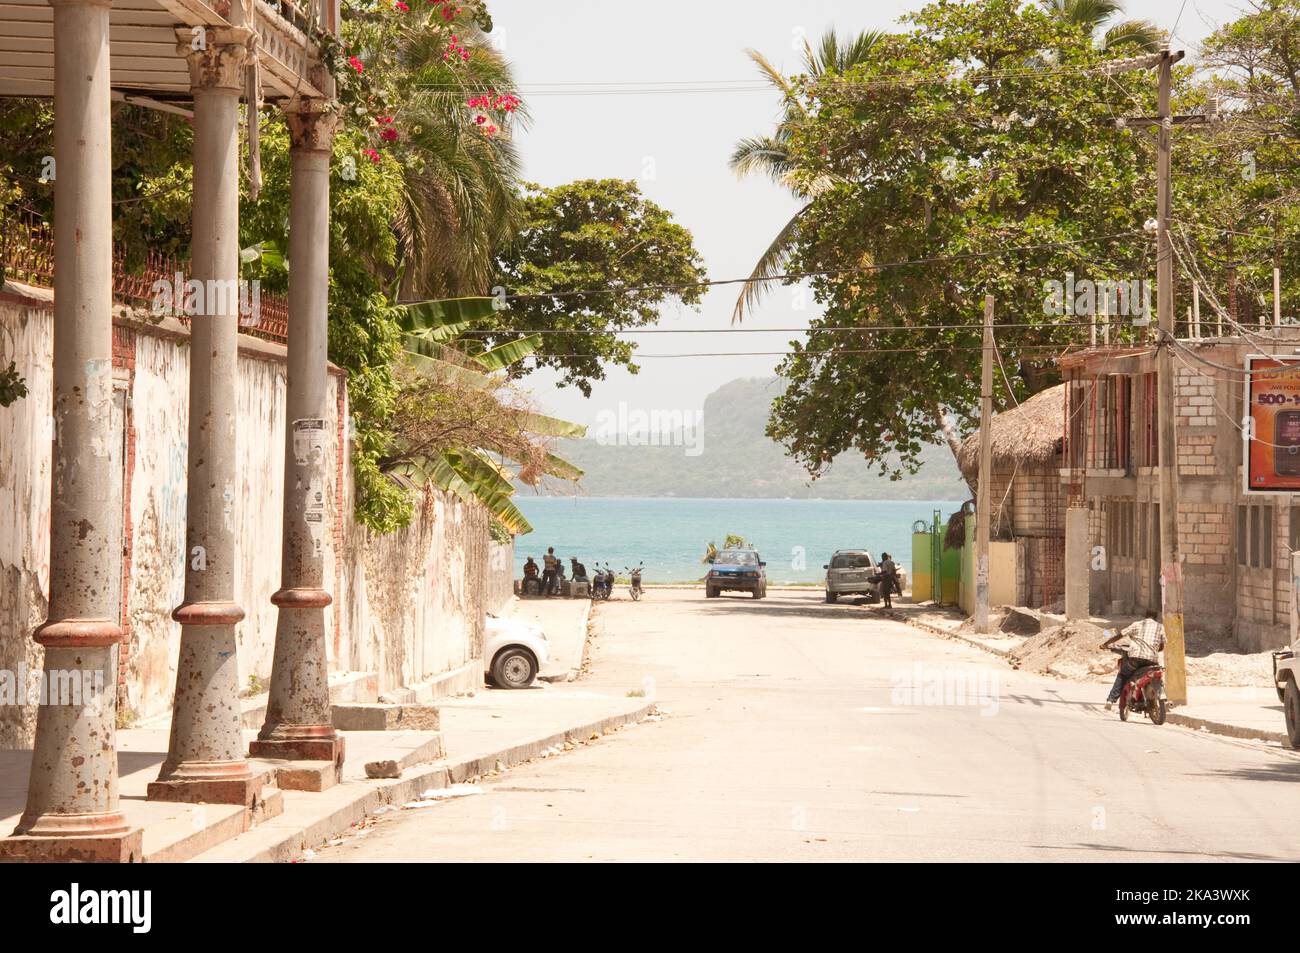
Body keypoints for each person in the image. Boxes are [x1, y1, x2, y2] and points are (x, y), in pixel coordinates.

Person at [1101, 610, 1165, 711]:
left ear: (1145, 616)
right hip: (1152, 660)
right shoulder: (1160, 627)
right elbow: (1162, 646)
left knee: (1123, 675)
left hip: (1136, 659)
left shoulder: (1137, 624)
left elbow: (1120, 635)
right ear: (1156, 618)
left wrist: (1105, 644)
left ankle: (1111, 700)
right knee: (1157, 674)